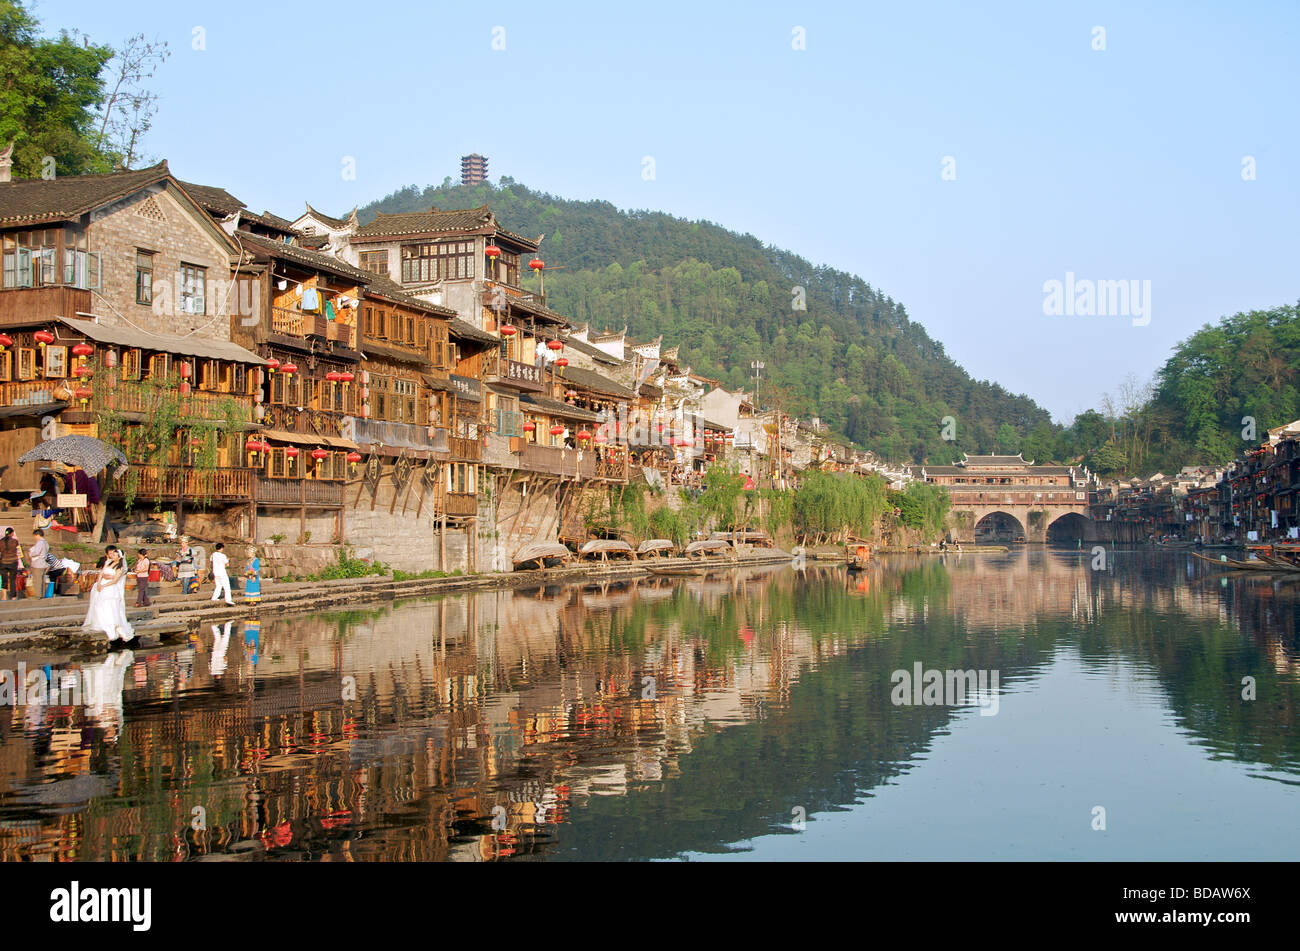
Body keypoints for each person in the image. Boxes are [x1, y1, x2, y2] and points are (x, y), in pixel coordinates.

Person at [83, 547, 135, 645]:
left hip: (110, 587)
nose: (112, 556)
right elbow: (101, 573)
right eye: (112, 554)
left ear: (119, 557)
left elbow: (115, 579)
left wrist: (104, 585)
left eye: (115, 555)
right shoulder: (108, 563)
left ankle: (110, 625)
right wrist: (99, 583)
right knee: (99, 605)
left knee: (109, 606)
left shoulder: (120, 567)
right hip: (101, 585)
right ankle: (99, 623)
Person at [28, 529, 48, 599]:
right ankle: (42, 594)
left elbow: (36, 552)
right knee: (42, 580)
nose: (34, 538)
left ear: (37, 535)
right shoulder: (45, 542)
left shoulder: (40, 542)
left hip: (38, 564)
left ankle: (37, 595)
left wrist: (31, 553)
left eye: (34, 536)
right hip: (43, 563)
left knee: (37, 580)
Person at [0, 528, 19, 600]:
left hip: (3, 562)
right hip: (13, 562)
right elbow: (17, 548)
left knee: (4, 579)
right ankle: (13, 596)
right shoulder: (15, 541)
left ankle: (4, 596)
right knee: (12, 580)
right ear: (12, 533)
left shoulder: (1, 541)